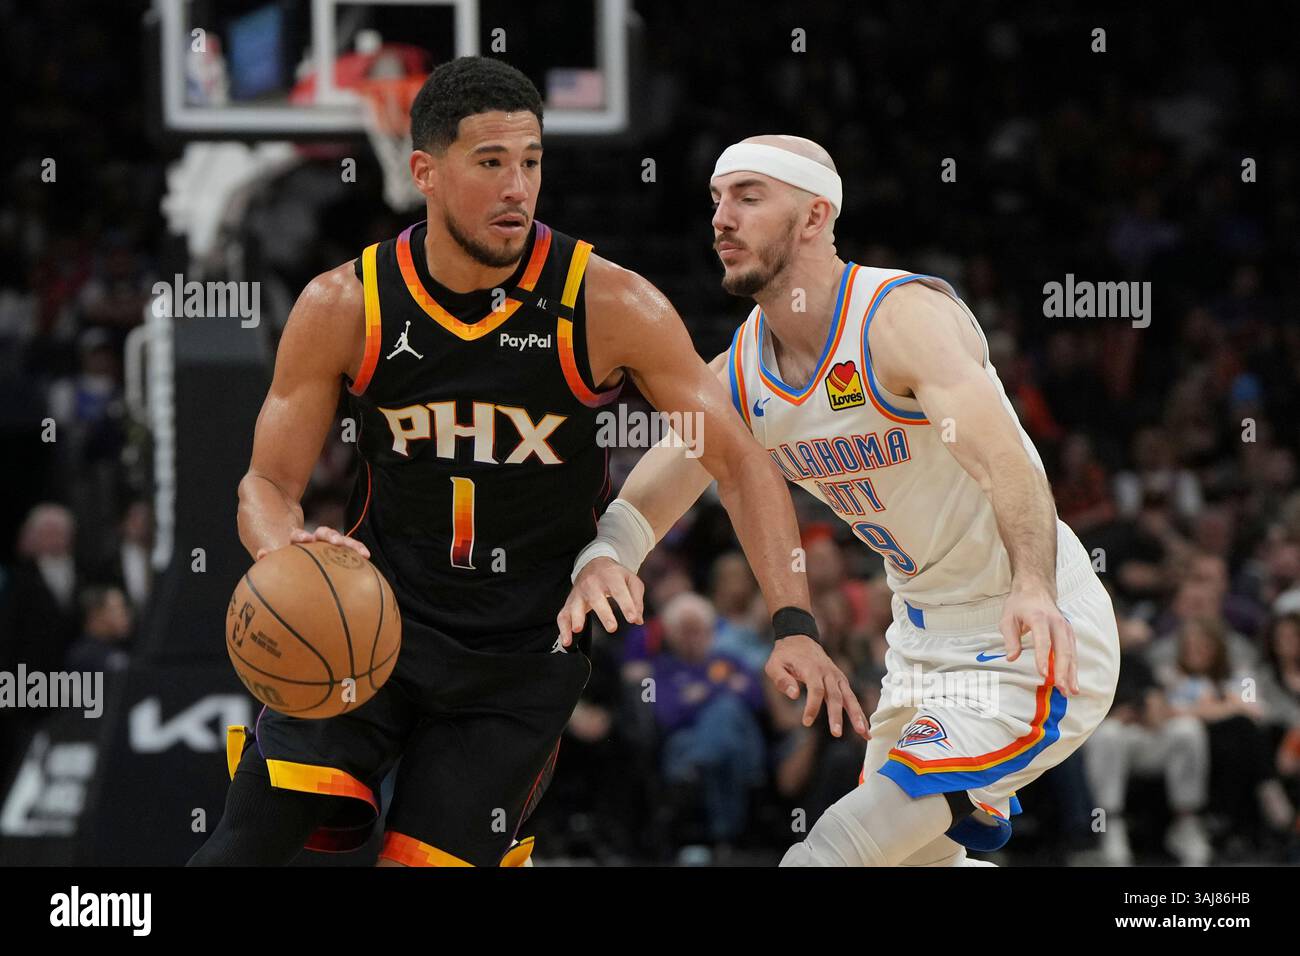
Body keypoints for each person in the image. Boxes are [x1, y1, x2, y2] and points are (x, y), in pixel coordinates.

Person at [189, 59, 860, 868]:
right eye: (491, 162)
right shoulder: (346, 305)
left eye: (532, 162)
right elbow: (267, 485)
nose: (518, 186)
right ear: (425, 174)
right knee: (240, 852)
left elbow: (740, 461)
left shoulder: (609, 306)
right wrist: (281, 548)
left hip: (517, 664)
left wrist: (793, 622)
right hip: (371, 621)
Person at [560, 134, 1120, 866]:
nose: (722, 218)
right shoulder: (740, 374)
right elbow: (650, 498)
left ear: (817, 215)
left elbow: (1006, 461)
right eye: (717, 200)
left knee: (827, 855)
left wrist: (1034, 586)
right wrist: (608, 555)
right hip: (921, 643)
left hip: (1026, 631)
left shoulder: (899, 318)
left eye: (749, 197)